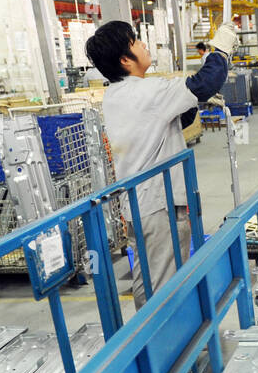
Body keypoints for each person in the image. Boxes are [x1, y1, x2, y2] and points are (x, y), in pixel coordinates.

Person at [85, 19, 238, 308]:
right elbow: (206, 82)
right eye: (135, 42)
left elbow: (169, 123)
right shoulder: (148, 92)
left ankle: (153, 332)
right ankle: (161, 334)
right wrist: (221, 50)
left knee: (150, 278)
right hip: (159, 205)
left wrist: (195, 101)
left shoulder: (117, 95)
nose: (143, 44)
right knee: (163, 287)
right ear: (125, 60)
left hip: (140, 204)